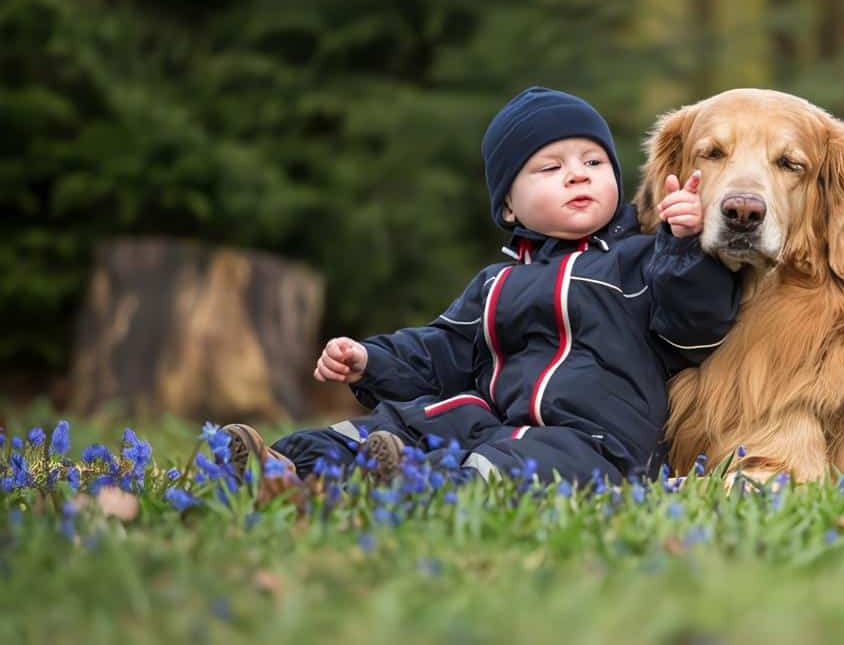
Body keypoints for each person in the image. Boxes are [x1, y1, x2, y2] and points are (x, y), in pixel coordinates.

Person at [222, 86, 740, 486]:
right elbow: (443, 351)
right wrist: (371, 360)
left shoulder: (645, 257)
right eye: (551, 167)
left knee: (519, 462)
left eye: (593, 162)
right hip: (492, 420)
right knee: (415, 419)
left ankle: (417, 485)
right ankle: (288, 466)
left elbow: (694, 330)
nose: (578, 176)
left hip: (593, 438)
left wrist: (684, 245)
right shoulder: (497, 282)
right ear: (509, 206)